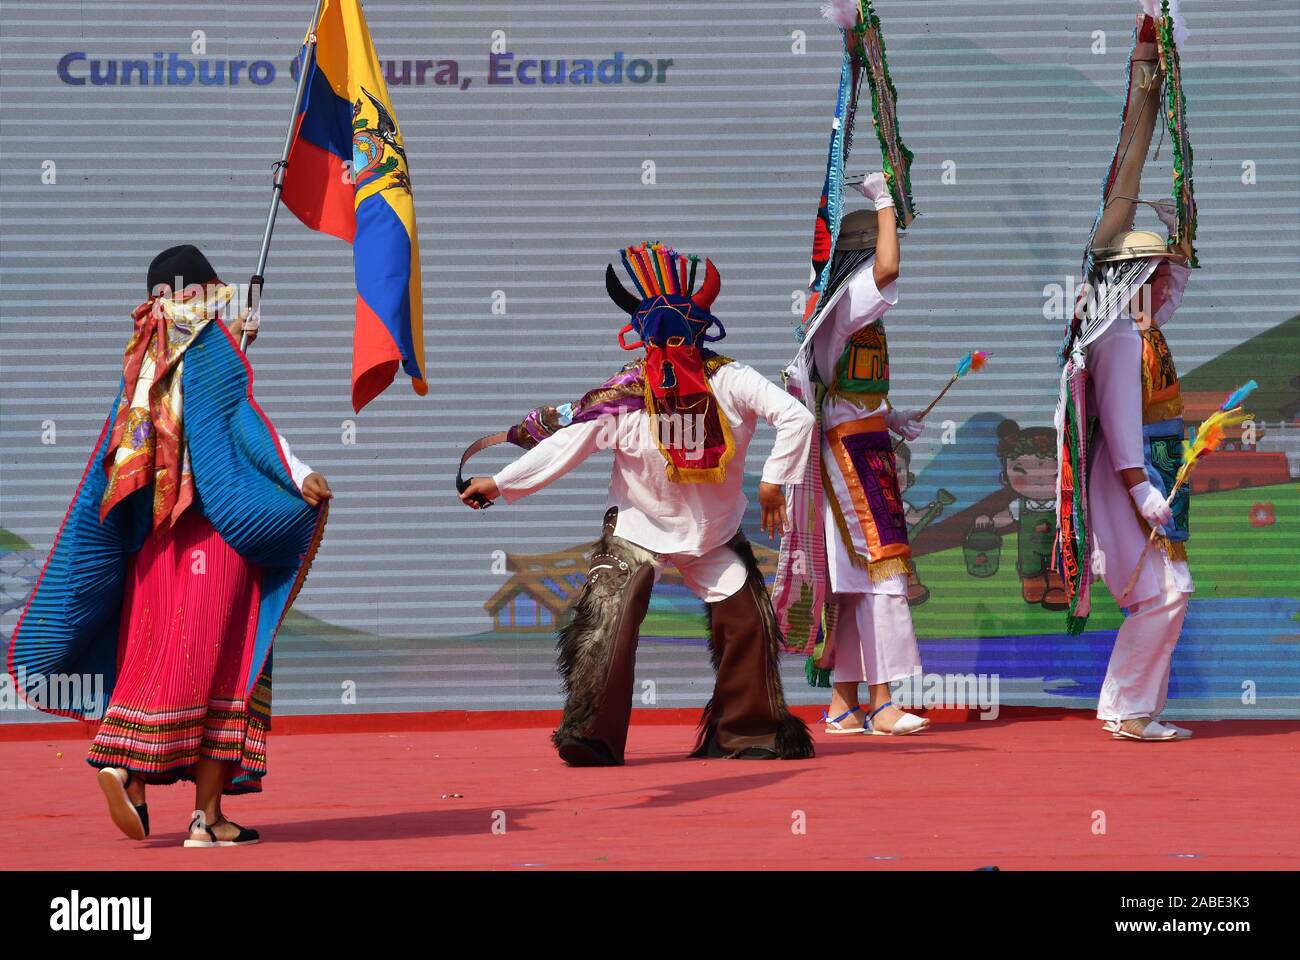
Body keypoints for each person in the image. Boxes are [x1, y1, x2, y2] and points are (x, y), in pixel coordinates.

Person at [8, 245, 332, 844]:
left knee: (154, 659)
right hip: (217, 538)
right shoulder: (210, 348)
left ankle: (125, 770)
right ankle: (207, 821)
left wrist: (233, 339)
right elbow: (241, 422)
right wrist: (298, 473)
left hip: (154, 548)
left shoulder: (144, 356)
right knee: (228, 667)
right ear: (201, 291)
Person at [459, 243, 816, 765]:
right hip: (637, 526)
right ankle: (592, 735)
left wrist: (772, 484)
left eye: (680, 335)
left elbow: (797, 418)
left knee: (749, 622)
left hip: (712, 532)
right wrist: (502, 482)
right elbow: (570, 441)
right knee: (607, 618)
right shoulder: (627, 394)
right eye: (661, 337)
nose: (670, 349)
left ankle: (750, 733)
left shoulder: (732, 380)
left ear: (699, 331)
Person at [1054, 4, 1196, 742]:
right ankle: (1131, 711)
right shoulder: (1108, 327)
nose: (1168, 280)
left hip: (1157, 469)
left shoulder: (1142, 325)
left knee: (1164, 594)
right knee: (1165, 593)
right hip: (1126, 477)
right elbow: (1112, 410)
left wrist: (1157, 77)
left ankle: (1125, 708)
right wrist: (1140, 486)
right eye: (1157, 267)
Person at [774, 174, 930, 736]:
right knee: (882, 574)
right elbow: (888, 269)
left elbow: (845, 394)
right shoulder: (846, 302)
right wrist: (884, 199)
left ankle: (844, 704)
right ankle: (883, 702)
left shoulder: (853, 315)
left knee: (851, 579)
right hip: (848, 460)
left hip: (864, 446)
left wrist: (890, 417)